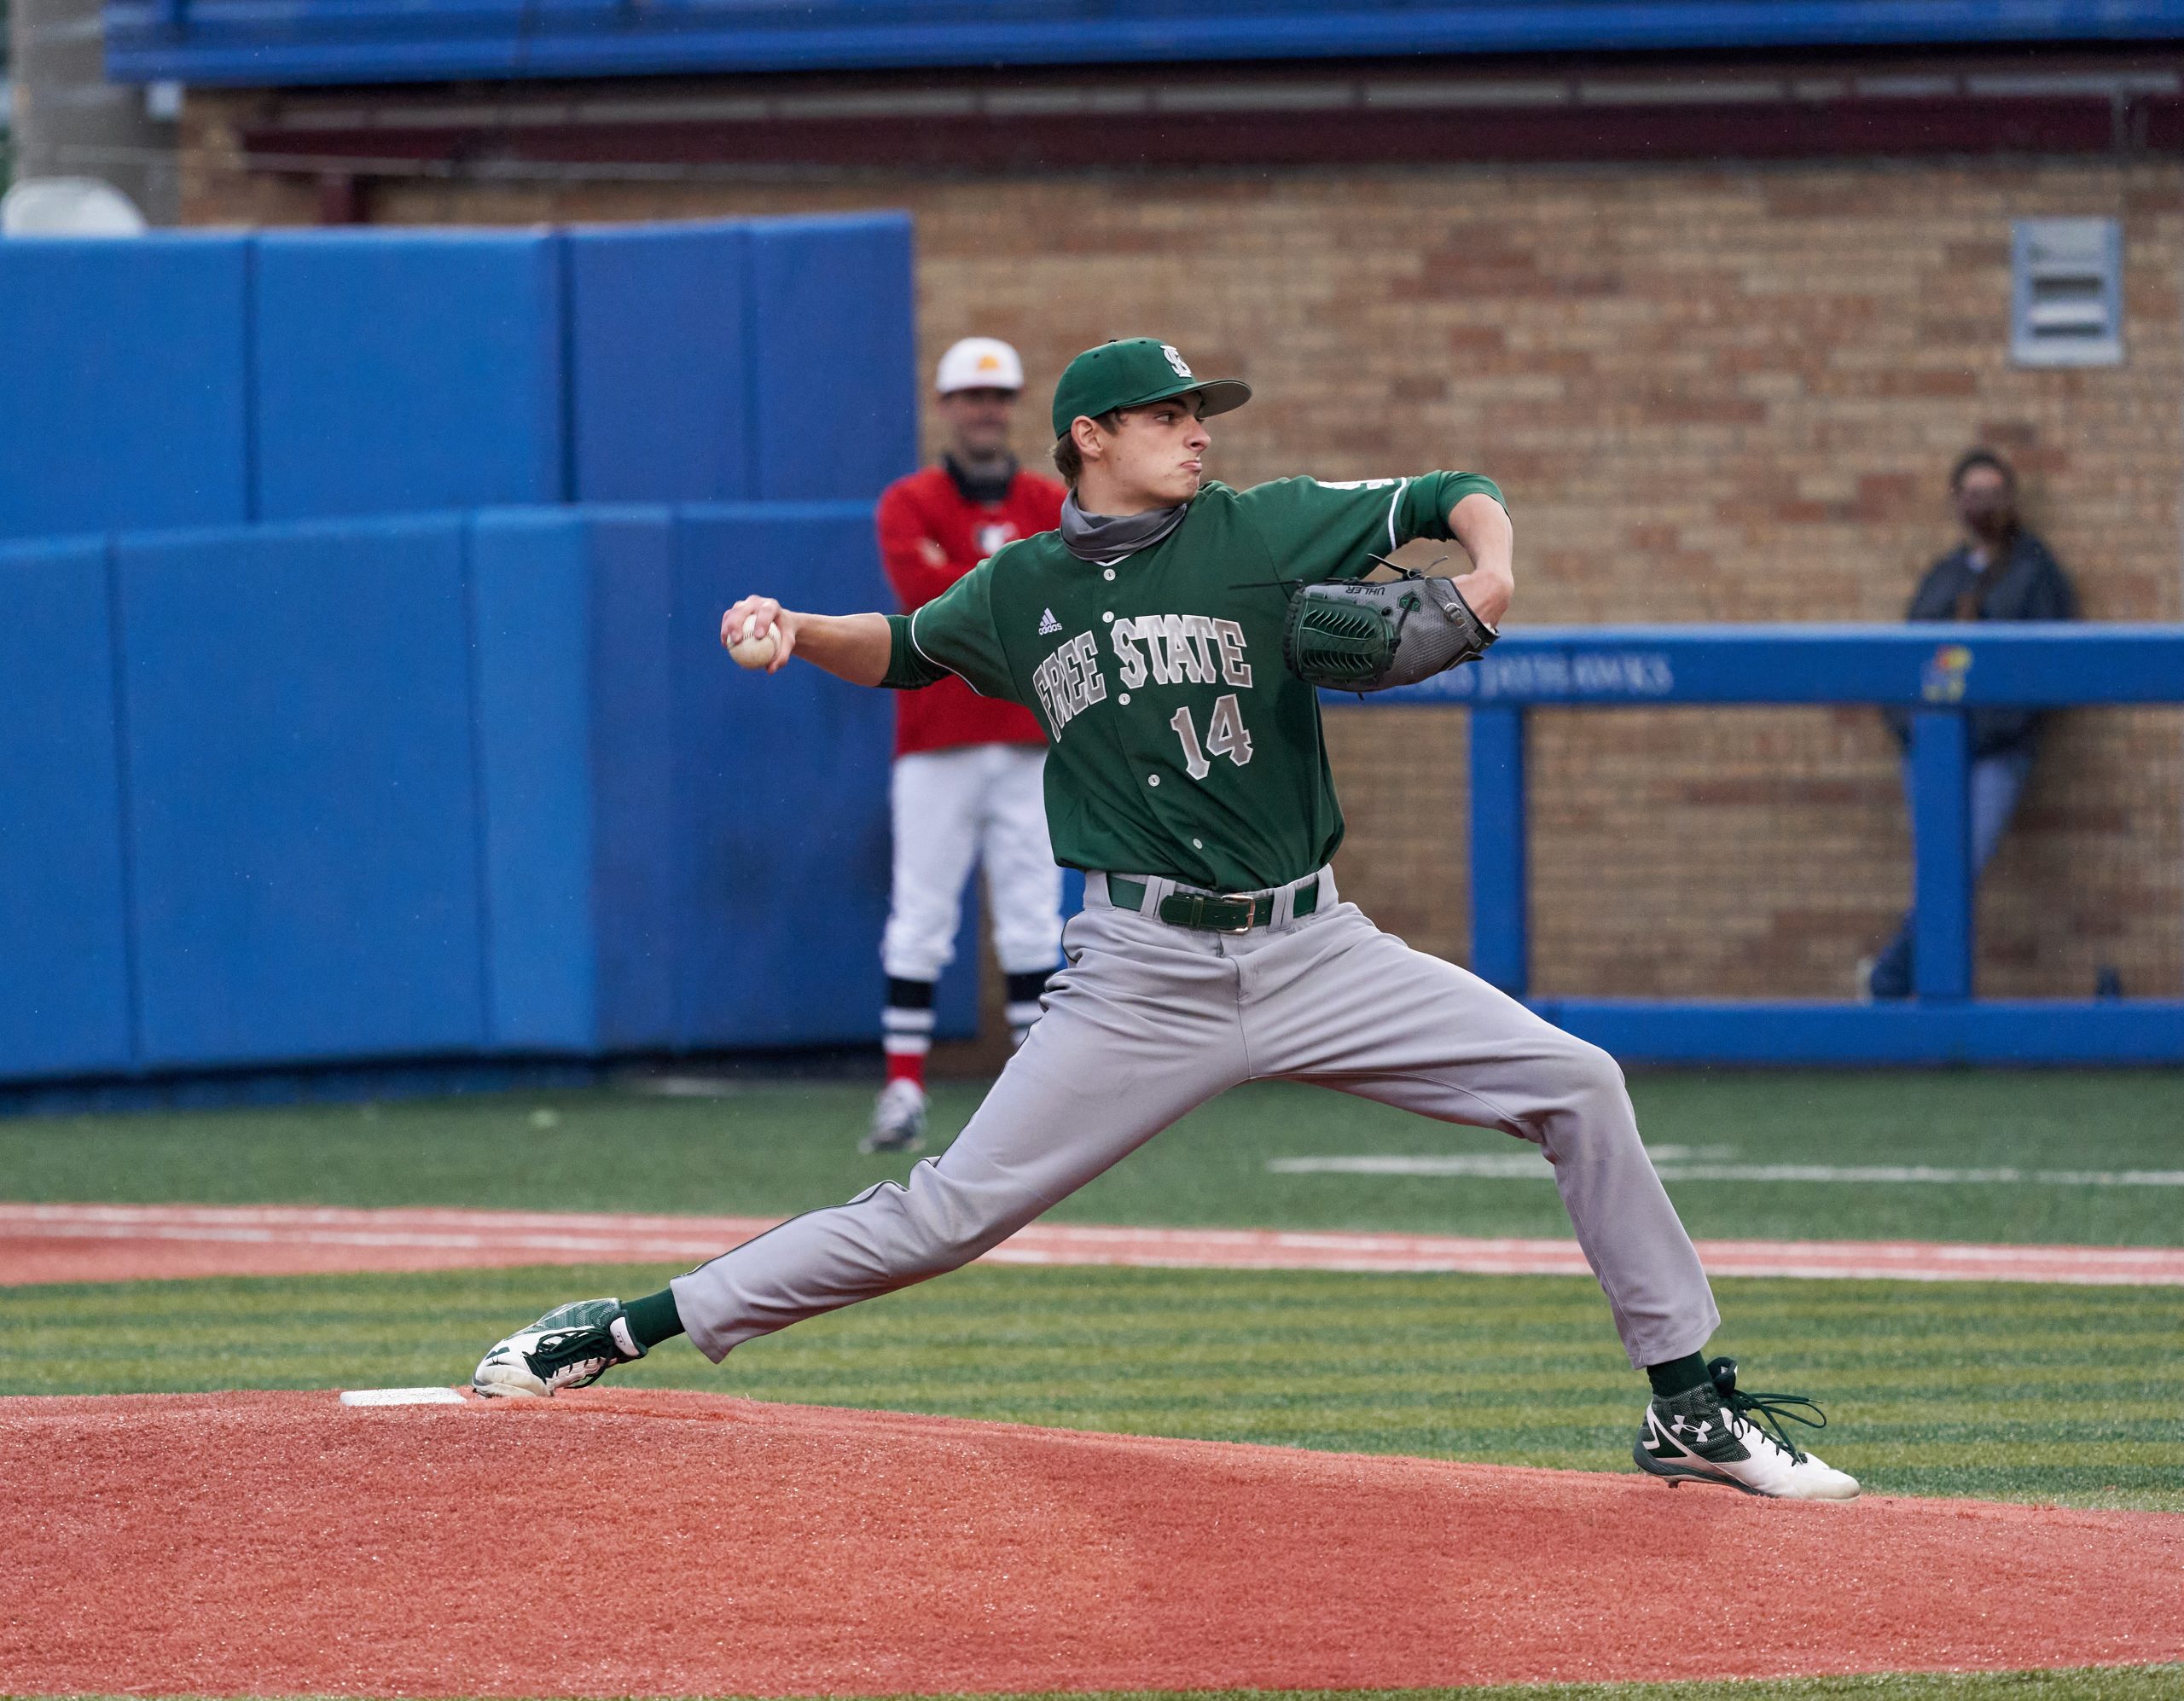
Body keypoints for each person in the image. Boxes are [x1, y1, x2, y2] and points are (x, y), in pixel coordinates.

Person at [472, 338, 1860, 1501]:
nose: (1197, 433)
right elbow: (903, 648)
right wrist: (796, 628)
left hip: (1318, 947)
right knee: (945, 1212)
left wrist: (1492, 571)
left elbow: (1454, 490)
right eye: (1172, 415)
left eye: (1203, 414)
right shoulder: (1023, 586)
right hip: (1140, 971)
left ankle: (1684, 1403)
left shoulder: (1258, 530)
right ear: (1092, 436)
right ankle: (625, 1322)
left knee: (1578, 1081)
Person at [865, 337, 1067, 1153]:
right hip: (936, 737)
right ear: (947, 407)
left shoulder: (1051, 500)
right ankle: (904, 1092)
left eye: (999, 398)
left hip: (1028, 734)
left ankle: (1032, 1087)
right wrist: (1006, 592)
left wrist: (971, 582)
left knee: (1032, 917)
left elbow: (1060, 593)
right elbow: (921, 599)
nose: (986, 411)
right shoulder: (909, 501)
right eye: (972, 398)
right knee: (919, 913)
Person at [1866, 448, 2078, 1000]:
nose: (1982, 505)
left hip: (1997, 753)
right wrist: (1910, 732)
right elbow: (1905, 659)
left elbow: (2049, 668)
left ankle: (1889, 979)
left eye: (1992, 494)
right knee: (1938, 869)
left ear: (2011, 500)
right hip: (1931, 752)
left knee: (1957, 869)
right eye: (1971, 494)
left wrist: (2001, 729)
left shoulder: (2036, 573)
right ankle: (1913, 994)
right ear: (1955, 502)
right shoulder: (1945, 575)